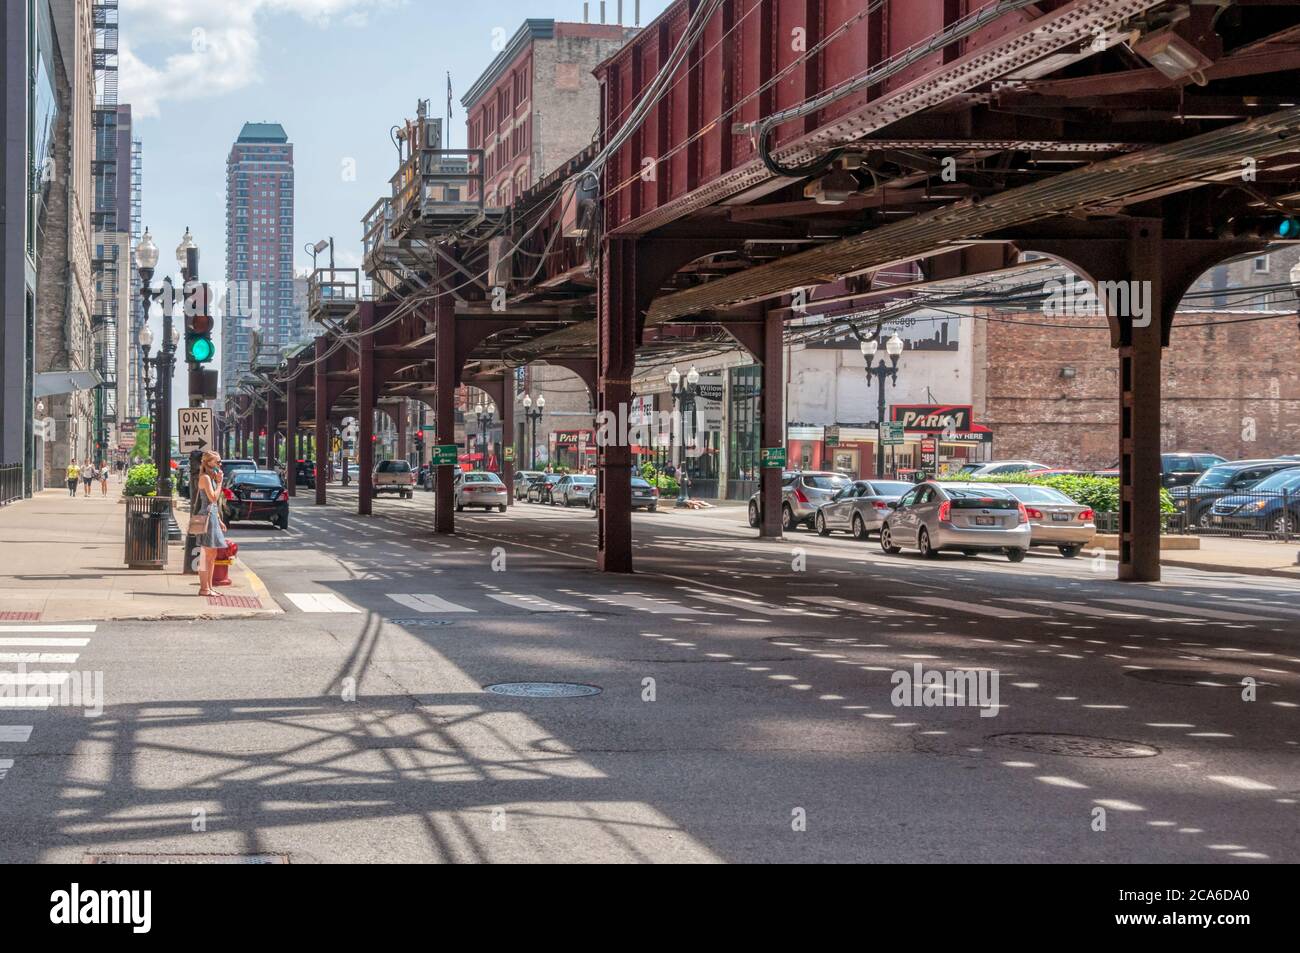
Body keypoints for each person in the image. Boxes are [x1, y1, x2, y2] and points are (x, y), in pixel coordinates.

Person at [194, 450, 229, 597]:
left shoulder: (212, 477)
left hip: (213, 516)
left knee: (212, 554)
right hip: (206, 517)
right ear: (208, 463)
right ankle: (204, 589)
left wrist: (220, 520)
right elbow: (213, 498)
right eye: (217, 462)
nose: (220, 464)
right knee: (206, 554)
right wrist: (220, 483)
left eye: (220, 461)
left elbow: (214, 504)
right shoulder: (205, 478)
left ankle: (209, 586)